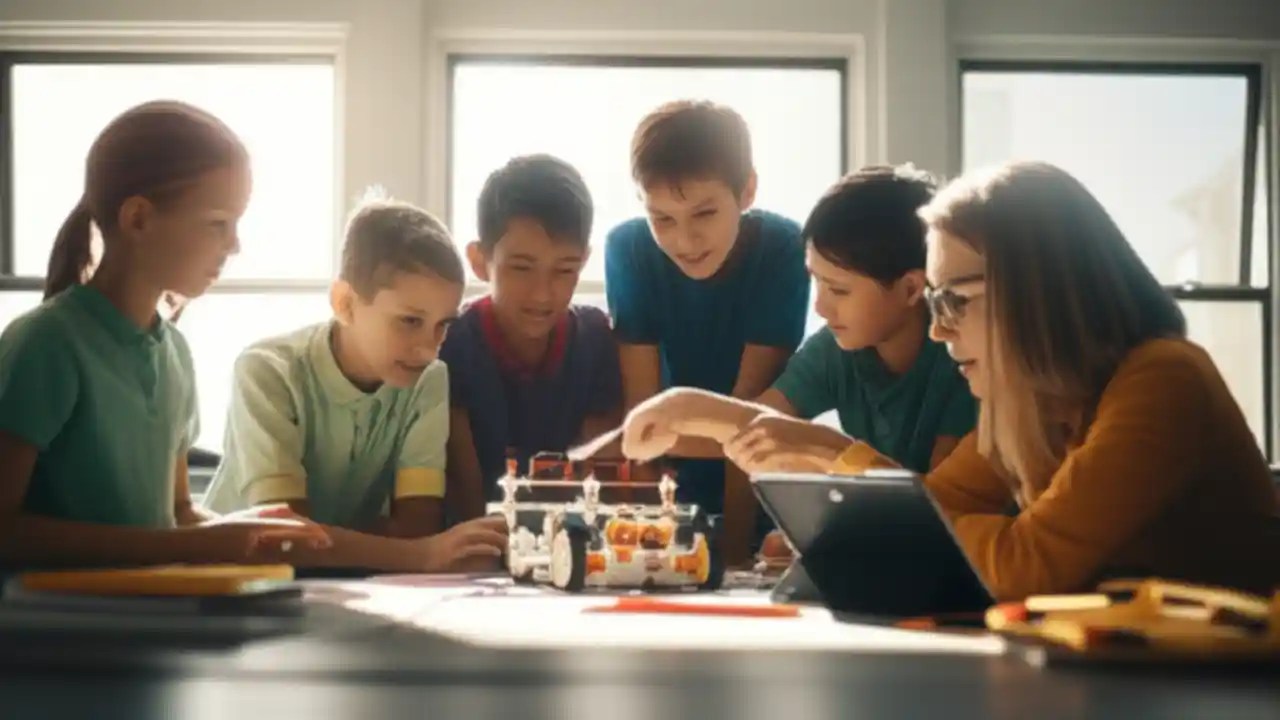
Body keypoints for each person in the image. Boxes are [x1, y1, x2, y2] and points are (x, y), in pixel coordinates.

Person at [681, 161, 1280, 599]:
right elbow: (937, 513)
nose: (939, 332)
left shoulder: (1162, 380)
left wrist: (840, 458)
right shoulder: (1031, 404)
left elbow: (1024, 565)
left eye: (953, 301)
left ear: (1034, 290)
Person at [0, 100, 330, 569]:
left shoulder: (174, 352)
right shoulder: (45, 344)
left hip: (149, 621)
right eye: (218, 223)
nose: (234, 244)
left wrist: (247, 529)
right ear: (138, 219)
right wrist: (193, 545)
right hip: (55, 633)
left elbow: (176, 514)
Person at [202, 195, 506, 572]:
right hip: (231, 581)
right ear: (345, 303)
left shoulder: (428, 378)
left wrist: (394, 545)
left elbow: (417, 526)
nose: (429, 349)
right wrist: (420, 554)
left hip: (338, 582)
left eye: (443, 325)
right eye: (410, 321)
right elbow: (282, 537)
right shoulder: (267, 371)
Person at [619, 166, 976, 480]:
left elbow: (941, 513)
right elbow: (764, 423)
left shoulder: (963, 364)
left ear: (911, 287)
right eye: (816, 281)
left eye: (838, 290)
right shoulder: (834, 351)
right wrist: (673, 416)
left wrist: (829, 449)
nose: (820, 306)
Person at [604, 100, 809, 562]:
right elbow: (643, 415)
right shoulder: (629, 250)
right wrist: (640, 547)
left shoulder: (781, 250)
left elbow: (748, 418)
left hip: (762, 491)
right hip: (668, 486)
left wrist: (732, 561)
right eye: (663, 220)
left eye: (704, 213)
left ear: (748, 190)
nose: (685, 241)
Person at [440, 155, 622, 522]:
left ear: (584, 261)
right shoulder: (451, 341)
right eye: (522, 268)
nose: (543, 293)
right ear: (479, 261)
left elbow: (594, 481)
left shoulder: (594, 340)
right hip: (474, 542)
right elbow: (465, 489)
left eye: (565, 269)